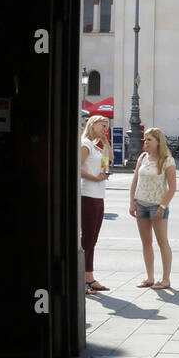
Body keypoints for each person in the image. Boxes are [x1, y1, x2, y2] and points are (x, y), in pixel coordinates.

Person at [129, 127, 177, 289]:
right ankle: (149, 278)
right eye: (145, 139)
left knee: (162, 242)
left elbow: (172, 188)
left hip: (157, 206)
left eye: (149, 139)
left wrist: (163, 206)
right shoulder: (143, 157)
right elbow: (135, 181)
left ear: (158, 141)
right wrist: (132, 202)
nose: (145, 142)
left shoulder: (167, 160)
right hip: (141, 204)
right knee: (146, 243)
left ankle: (165, 279)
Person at [80, 114, 111, 294]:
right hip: (88, 194)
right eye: (102, 126)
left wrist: (106, 142)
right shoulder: (86, 144)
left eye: (106, 126)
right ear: (92, 126)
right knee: (87, 238)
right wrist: (95, 177)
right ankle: (83, 279)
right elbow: (78, 166)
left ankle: (89, 277)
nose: (105, 129)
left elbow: (110, 158)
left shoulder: (99, 146)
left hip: (99, 195)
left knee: (93, 239)